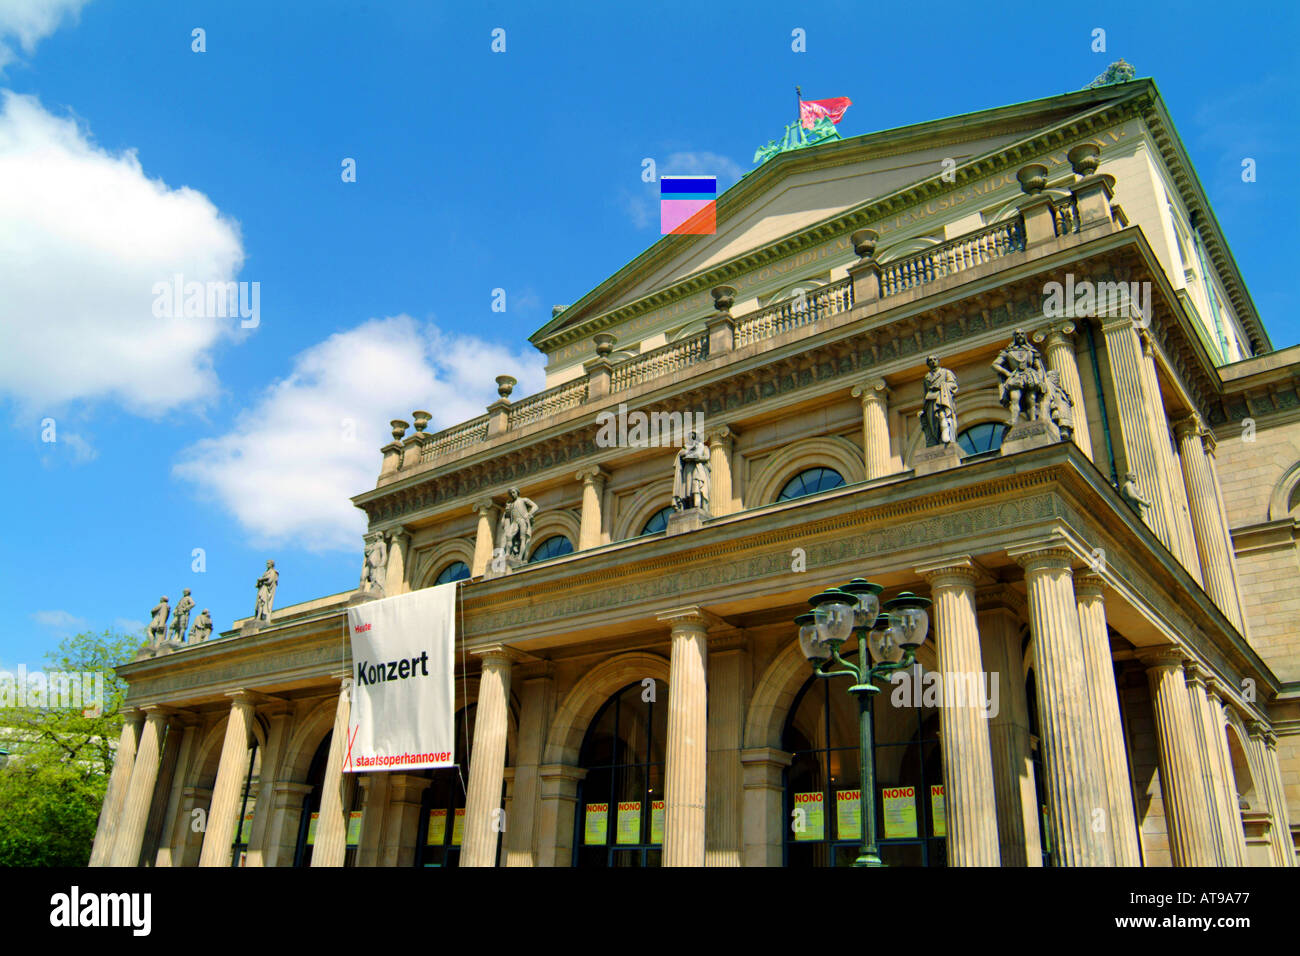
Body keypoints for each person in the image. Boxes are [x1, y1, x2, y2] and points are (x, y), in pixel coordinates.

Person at [992, 330, 1049, 424]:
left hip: (1030, 376)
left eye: (1022, 334)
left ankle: (1033, 421)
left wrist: (1040, 380)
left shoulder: (1031, 351)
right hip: (1016, 376)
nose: (1020, 336)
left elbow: (1038, 367)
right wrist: (1007, 373)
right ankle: (1014, 420)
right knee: (1015, 398)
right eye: (1017, 334)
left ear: (1025, 336)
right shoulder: (1008, 352)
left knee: (1031, 399)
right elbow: (995, 364)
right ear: (1014, 337)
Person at [919, 355, 959, 446]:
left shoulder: (946, 372)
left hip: (942, 398)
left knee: (942, 416)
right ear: (928, 364)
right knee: (933, 424)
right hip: (930, 401)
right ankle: (938, 441)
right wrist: (923, 410)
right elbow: (925, 394)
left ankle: (946, 436)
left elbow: (953, 385)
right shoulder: (927, 377)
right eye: (930, 360)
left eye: (934, 359)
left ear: (938, 361)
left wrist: (942, 386)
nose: (933, 361)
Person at [673, 431, 711, 513]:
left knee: (696, 486)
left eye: (694, 437)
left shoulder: (704, 447)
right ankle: (689, 507)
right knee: (688, 489)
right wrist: (689, 450)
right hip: (688, 469)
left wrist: (698, 457)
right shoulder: (687, 448)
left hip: (697, 468)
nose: (693, 439)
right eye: (691, 438)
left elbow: (706, 457)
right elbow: (682, 454)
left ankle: (697, 505)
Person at [497, 488, 539, 562]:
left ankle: (520, 557)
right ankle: (507, 554)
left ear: (517, 492)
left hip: (523, 521)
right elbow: (507, 515)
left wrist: (529, 514)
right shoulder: (511, 504)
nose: (512, 494)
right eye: (511, 493)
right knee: (509, 536)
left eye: (513, 492)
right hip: (515, 522)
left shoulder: (524, 500)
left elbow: (535, 506)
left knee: (523, 539)